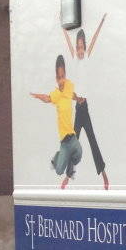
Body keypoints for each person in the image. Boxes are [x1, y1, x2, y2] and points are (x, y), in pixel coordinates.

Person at [62, 12, 110, 189]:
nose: (80, 50)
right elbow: (67, 40)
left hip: (85, 108)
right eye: (78, 47)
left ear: (85, 47)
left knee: (92, 141)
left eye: (82, 47)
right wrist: (63, 27)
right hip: (78, 108)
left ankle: (104, 176)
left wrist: (101, 22)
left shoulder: (87, 56)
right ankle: (67, 177)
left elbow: (95, 37)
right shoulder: (75, 58)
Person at [31, 55, 85, 189]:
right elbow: (47, 98)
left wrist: (78, 99)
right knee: (59, 171)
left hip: (72, 136)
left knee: (79, 154)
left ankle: (69, 165)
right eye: (59, 78)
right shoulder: (56, 94)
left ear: (65, 75)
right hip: (64, 142)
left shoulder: (69, 85)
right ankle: (57, 157)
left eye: (63, 76)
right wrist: (38, 96)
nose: (61, 80)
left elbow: (72, 94)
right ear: (56, 78)